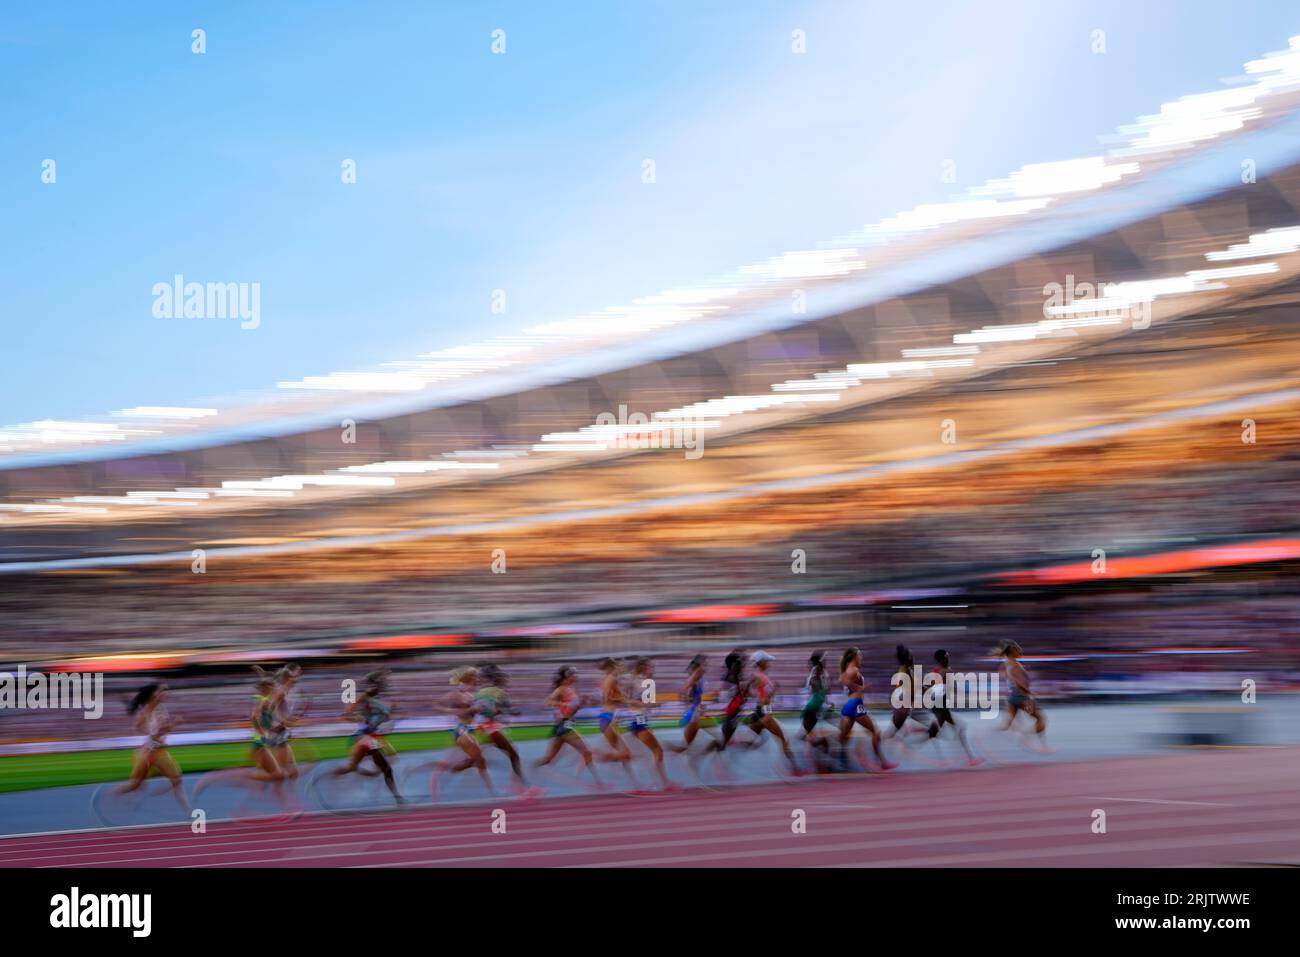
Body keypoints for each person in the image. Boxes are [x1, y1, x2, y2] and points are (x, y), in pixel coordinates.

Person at [113, 683, 190, 812]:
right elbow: (155, 733)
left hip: (157, 751)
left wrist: (154, 731)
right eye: (162, 691)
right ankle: (110, 796)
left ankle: (189, 811)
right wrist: (174, 724)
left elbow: (150, 730)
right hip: (149, 753)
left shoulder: (160, 709)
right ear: (154, 695)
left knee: (176, 780)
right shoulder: (147, 712)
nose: (166, 693)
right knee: (135, 785)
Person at [430, 666, 494, 798]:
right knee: (480, 759)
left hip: (470, 731)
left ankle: (441, 771)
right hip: (461, 731)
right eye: (475, 677)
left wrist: (483, 709)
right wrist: (453, 711)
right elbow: (436, 704)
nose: (478, 679)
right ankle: (492, 792)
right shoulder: (457, 693)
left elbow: (475, 710)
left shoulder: (473, 694)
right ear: (469, 678)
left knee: (471, 762)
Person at [536, 666, 601, 786]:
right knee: (587, 752)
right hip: (564, 726)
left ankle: (532, 776)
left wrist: (581, 704)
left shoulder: (571, 690)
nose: (576, 676)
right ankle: (598, 782)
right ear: (567, 676)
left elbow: (572, 710)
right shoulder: (561, 689)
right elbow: (548, 702)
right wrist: (564, 704)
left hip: (566, 725)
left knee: (548, 759)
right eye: (573, 674)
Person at [837, 647, 895, 771]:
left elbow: (843, 679)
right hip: (855, 705)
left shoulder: (850, 669)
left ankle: (835, 758)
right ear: (854, 657)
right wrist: (861, 688)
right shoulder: (853, 669)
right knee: (876, 732)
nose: (861, 658)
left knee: (843, 737)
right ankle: (881, 763)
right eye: (860, 655)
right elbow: (843, 680)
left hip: (849, 705)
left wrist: (858, 688)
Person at [743, 651, 799, 773]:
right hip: (763, 712)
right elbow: (751, 690)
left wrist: (773, 691)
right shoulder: (758, 676)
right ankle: (795, 769)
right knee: (784, 739)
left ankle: (738, 743)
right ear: (761, 662)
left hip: (763, 711)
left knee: (755, 741)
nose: (769, 664)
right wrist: (761, 695)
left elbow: (763, 695)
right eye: (767, 661)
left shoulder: (762, 675)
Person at [626, 657, 675, 790]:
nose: (653, 670)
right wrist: (660, 704)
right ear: (644, 668)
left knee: (645, 753)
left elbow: (633, 701)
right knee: (657, 751)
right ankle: (662, 783)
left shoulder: (636, 680)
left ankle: (648, 784)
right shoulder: (646, 682)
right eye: (650, 667)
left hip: (638, 720)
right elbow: (645, 703)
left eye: (653, 667)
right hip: (640, 720)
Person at [931, 649, 982, 765]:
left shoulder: (936, 671)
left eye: (948, 656)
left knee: (956, 728)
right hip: (940, 705)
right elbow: (951, 688)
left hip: (937, 704)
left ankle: (970, 758)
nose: (948, 658)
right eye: (946, 657)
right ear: (942, 659)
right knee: (957, 728)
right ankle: (968, 758)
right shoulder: (946, 671)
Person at [996, 640, 1049, 750]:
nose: (1021, 650)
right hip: (1022, 697)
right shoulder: (1015, 665)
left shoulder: (1006, 664)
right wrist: (1029, 692)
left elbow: (1009, 680)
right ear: (1013, 651)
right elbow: (1017, 682)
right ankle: (1028, 738)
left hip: (1012, 697)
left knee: (1007, 725)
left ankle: (984, 735)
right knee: (1041, 719)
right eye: (1018, 648)